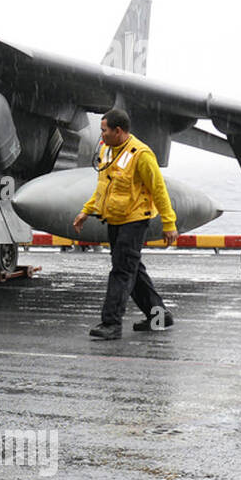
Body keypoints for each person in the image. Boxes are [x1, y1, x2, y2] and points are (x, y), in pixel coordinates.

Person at [72, 108, 178, 339]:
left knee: (121, 271)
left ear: (117, 130)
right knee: (133, 270)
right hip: (115, 220)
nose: (101, 135)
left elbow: (159, 190)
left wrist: (169, 223)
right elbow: (103, 188)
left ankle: (111, 323)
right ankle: (159, 316)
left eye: (104, 130)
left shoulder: (141, 154)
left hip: (134, 220)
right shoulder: (107, 151)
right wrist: (86, 211)